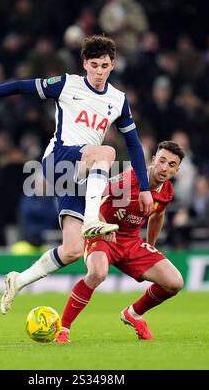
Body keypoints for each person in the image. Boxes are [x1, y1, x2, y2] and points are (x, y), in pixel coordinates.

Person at [0, 35, 153, 314]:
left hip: (83, 173)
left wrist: (144, 188)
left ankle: (18, 280)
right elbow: (19, 86)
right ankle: (91, 220)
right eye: (94, 65)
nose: (99, 71)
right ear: (84, 64)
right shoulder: (66, 84)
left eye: (105, 65)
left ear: (113, 65)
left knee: (73, 249)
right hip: (58, 160)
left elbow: (134, 144)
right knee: (107, 153)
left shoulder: (118, 100)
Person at [55, 141, 185, 343]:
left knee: (175, 283)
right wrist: (101, 225)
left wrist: (150, 244)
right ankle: (63, 329)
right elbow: (92, 197)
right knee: (97, 273)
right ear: (153, 161)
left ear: (177, 170)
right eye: (161, 161)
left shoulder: (166, 190)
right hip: (103, 234)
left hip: (131, 241)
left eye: (171, 164)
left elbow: (158, 215)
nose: (164, 168)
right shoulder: (128, 179)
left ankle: (133, 314)